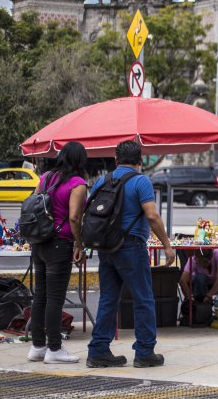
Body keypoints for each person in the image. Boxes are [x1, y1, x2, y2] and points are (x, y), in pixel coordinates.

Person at [87, 140, 175, 369]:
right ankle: (145, 352)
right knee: (143, 299)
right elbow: (152, 216)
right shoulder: (140, 181)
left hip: (105, 247)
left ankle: (98, 351)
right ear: (140, 161)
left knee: (108, 299)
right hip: (131, 247)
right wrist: (167, 245)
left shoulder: (102, 181)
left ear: (116, 160)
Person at [27, 141, 89, 365]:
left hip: (40, 242)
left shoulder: (45, 178)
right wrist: (79, 245)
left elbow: (33, 204)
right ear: (81, 160)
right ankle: (54, 348)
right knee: (54, 298)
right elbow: (74, 217)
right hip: (60, 244)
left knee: (40, 296)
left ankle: (37, 346)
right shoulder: (78, 183)